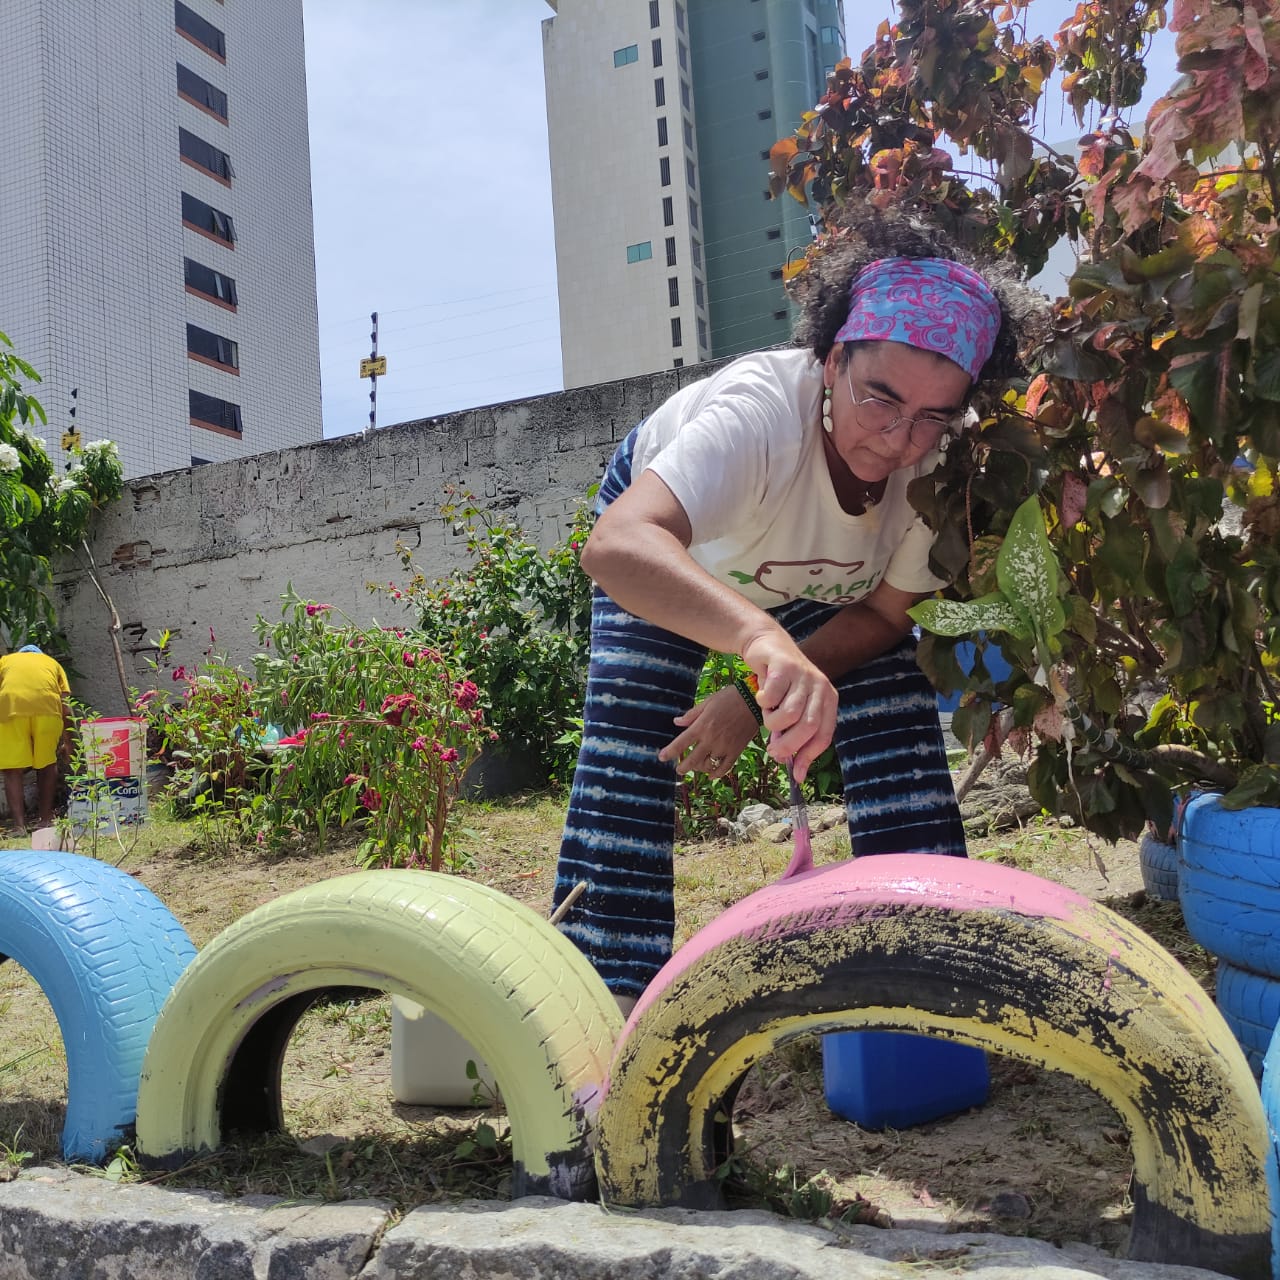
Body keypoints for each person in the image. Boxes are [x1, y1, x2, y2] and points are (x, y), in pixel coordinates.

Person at [551, 211, 1034, 1011]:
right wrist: (760, 639)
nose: (899, 439)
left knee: (897, 728)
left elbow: (884, 618)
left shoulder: (939, 461)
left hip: (826, 584)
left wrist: (751, 695)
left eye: (933, 416)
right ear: (834, 356)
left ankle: (924, 981)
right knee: (634, 750)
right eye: (880, 398)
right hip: (684, 557)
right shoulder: (761, 413)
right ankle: (602, 1012)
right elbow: (617, 546)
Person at [0, 643, 73, 835]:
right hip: (47, 710)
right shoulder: (52, 663)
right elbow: (66, 707)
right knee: (47, 764)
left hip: (11, 708)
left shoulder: (5, 661)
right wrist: (69, 742)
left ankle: (18, 826)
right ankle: (45, 821)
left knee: (11, 770)